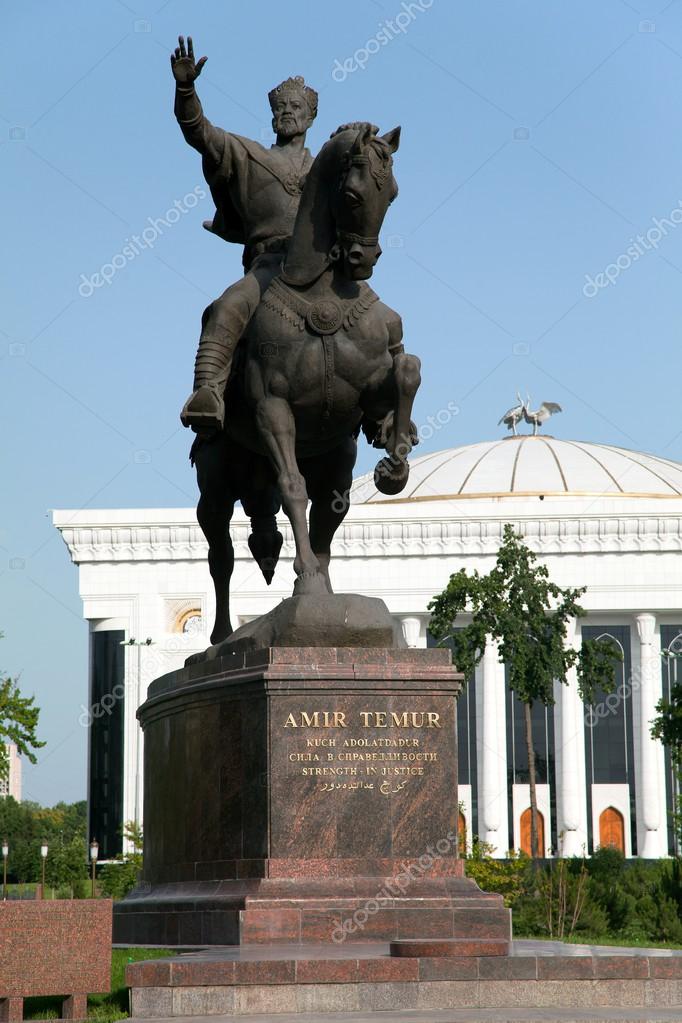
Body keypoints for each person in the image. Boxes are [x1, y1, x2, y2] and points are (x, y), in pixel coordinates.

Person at [171, 35, 318, 431]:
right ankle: (208, 391)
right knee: (225, 308)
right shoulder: (250, 154)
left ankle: (385, 417)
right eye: (281, 108)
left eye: (296, 107)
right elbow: (199, 132)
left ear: (310, 116)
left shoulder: (325, 168)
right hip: (269, 268)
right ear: (272, 117)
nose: (288, 112)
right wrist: (186, 89)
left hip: (321, 269)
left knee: (383, 322)